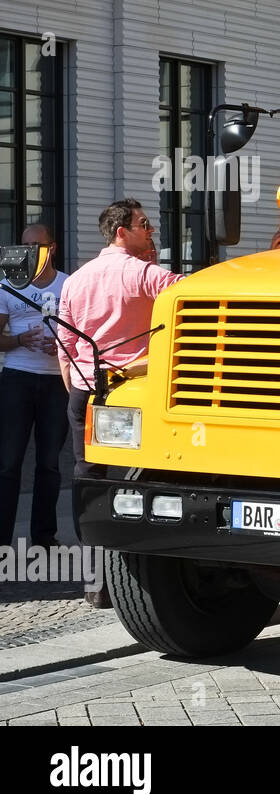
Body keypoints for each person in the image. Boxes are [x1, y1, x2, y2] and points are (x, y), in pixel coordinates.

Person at [57, 199, 184, 480]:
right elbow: (197, 290)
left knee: (88, 471)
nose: (151, 230)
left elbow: (65, 346)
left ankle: (87, 523)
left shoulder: (74, 280)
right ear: (121, 232)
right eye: (144, 224)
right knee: (150, 471)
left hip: (85, 387)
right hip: (135, 388)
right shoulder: (145, 274)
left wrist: (76, 390)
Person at [0, 223, 69, 547]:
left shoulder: (68, 285)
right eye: (24, 246)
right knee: (8, 462)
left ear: (51, 248)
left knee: (49, 463)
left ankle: (44, 537)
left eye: (36, 246)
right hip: (17, 377)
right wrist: (18, 339)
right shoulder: (6, 287)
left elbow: (81, 335)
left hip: (56, 381)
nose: (29, 252)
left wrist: (61, 346)